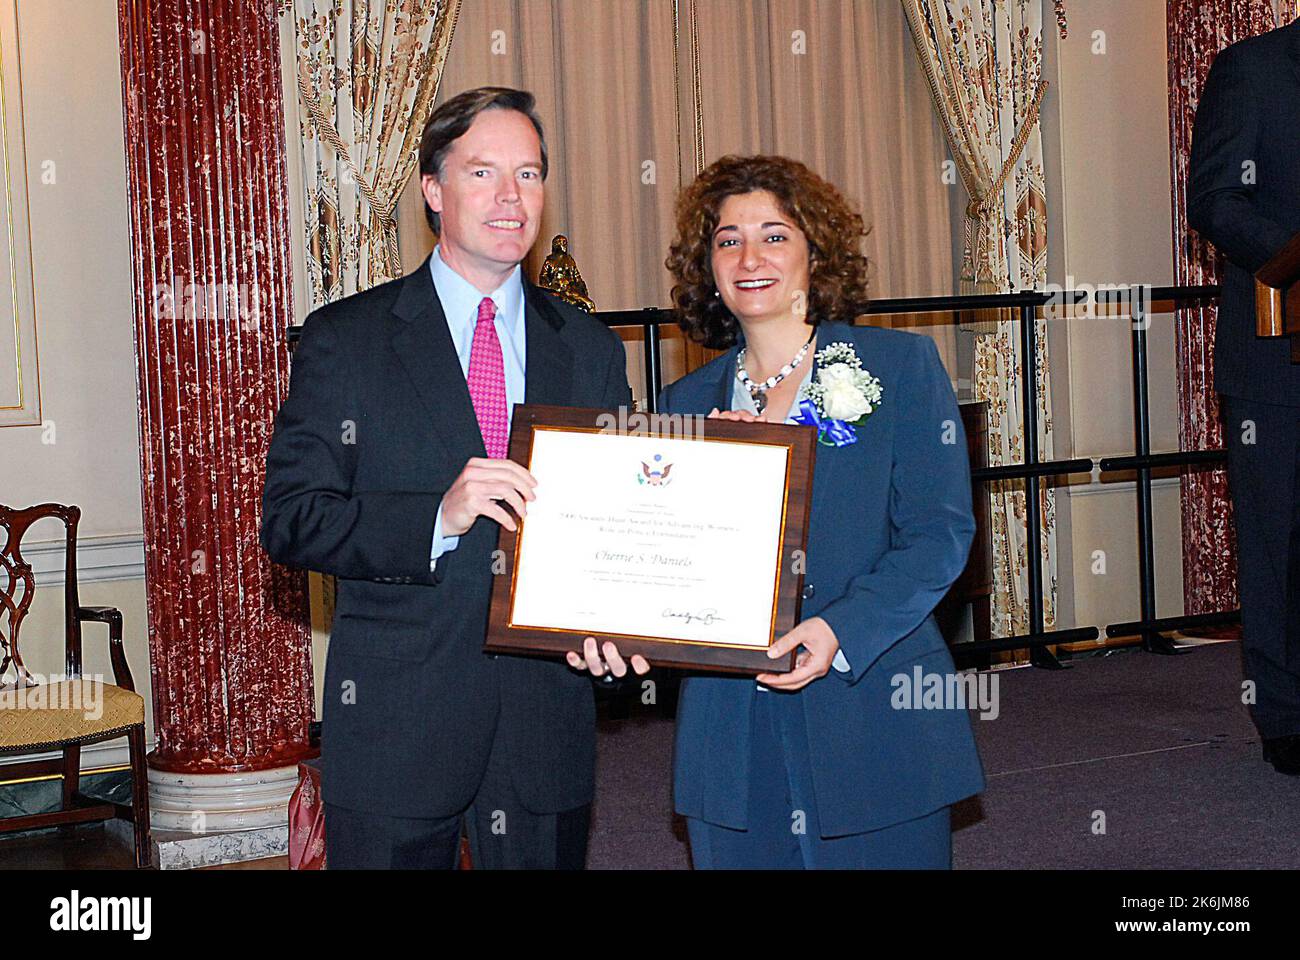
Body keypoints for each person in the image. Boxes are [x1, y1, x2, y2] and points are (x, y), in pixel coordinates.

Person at [260, 86, 637, 868]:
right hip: (399, 728)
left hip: (545, 726)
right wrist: (437, 516)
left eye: (529, 175)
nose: (511, 198)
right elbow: (292, 519)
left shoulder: (591, 349)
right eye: (483, 173)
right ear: (433, 190)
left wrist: (617, 629)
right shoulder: (347, 340)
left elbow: (618, 527)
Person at [661, 154, 983, 867]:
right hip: (731, 730)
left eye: (774, 235)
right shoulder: (684, 404)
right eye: (727, 239)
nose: (749, 257)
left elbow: (939, 536)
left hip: (873, 709)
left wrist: (840, 628)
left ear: (816, 252)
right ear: (707, 265)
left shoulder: (899, 367)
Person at [1188, 18, 1300, 775]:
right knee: (1280, 543)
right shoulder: (1254, 68)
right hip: (1280, 360)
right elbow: (1218, 202)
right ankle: (1288, 716)